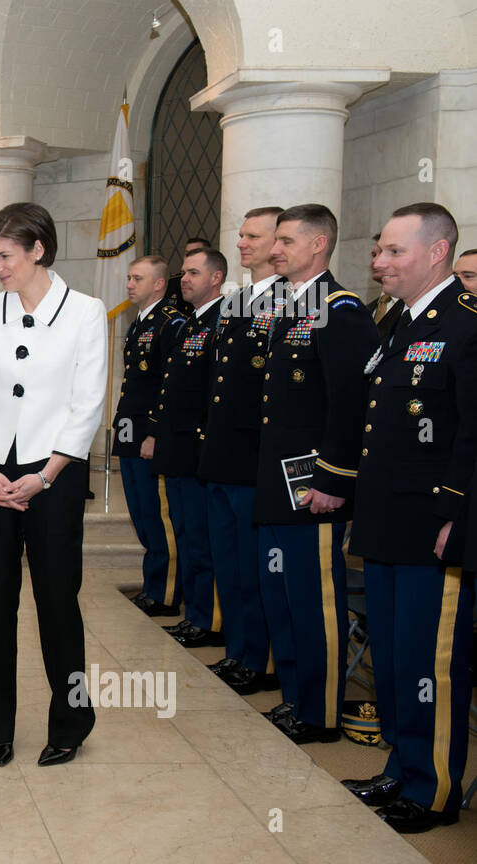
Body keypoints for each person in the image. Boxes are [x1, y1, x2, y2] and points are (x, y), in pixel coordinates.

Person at [0, 201, 107, 768]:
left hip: (56, 474)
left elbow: (87, 403)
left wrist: (44, 476)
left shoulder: (86, 312)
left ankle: (70, 722)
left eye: (5, 256)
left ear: (38, 249)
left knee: (57, 599)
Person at [344, 203, 476, 833]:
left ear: (437, 251)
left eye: (395, 251)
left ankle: (433, 789)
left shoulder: (466, 323)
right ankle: (401, 767)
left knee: (430, 663)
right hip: (387, 520)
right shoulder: (399, 320)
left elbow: (472, 432)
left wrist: (456, 512)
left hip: (434, 526)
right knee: (395, 658)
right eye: (379, 251)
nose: (380, 263)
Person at [253, 203, 378, 743]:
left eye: (286, 240)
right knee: (282, 595)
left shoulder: (339, 308)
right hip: (278, 482)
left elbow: (351, 404)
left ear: (319, 243)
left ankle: (321, 713)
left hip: (313, 486)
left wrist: (331, 480)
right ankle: (296, 699)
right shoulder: (293, 306)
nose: (275, 249)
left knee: (314, 601)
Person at [200, 208, 284, 694]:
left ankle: (262, 660)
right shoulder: (235, 301)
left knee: (255, 568)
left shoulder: (293, 301)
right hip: (222, 452)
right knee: (228, 563)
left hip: (255, 456)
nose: (242, 243)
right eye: (242, 234)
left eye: (253, 235)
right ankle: (239, 651)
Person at [149, 247, 227, 647]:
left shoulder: (222, 322)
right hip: (177, 447)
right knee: (186, 535)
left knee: (202, 538)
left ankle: (209, 620)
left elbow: (213, 391)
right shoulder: (189, 324)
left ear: (216, 278)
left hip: (198, 448)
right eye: (183, 273)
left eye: (194, 273)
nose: (185, 280)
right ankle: (195, 613)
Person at [113, 255, 185, 618]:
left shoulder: (171, 323)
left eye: (137, 278)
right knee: (141, 513)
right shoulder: (139, 322)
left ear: (158, 284)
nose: (129, 284)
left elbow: (170, 385)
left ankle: (166, 593)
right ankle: (153, 584)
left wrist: (155, 432)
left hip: (149, 435)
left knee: (158, 517)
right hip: (131, 430)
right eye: (129, 277)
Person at [163, 237, 210, 312]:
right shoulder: (172, 282)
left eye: (194, 253)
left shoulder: (212, 281)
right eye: (187, 253)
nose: (189, 257)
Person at [369, 233, 396, 337]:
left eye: (381, 254)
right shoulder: (366, 309)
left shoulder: (411, 306)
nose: (374, 261)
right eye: (374, 255)